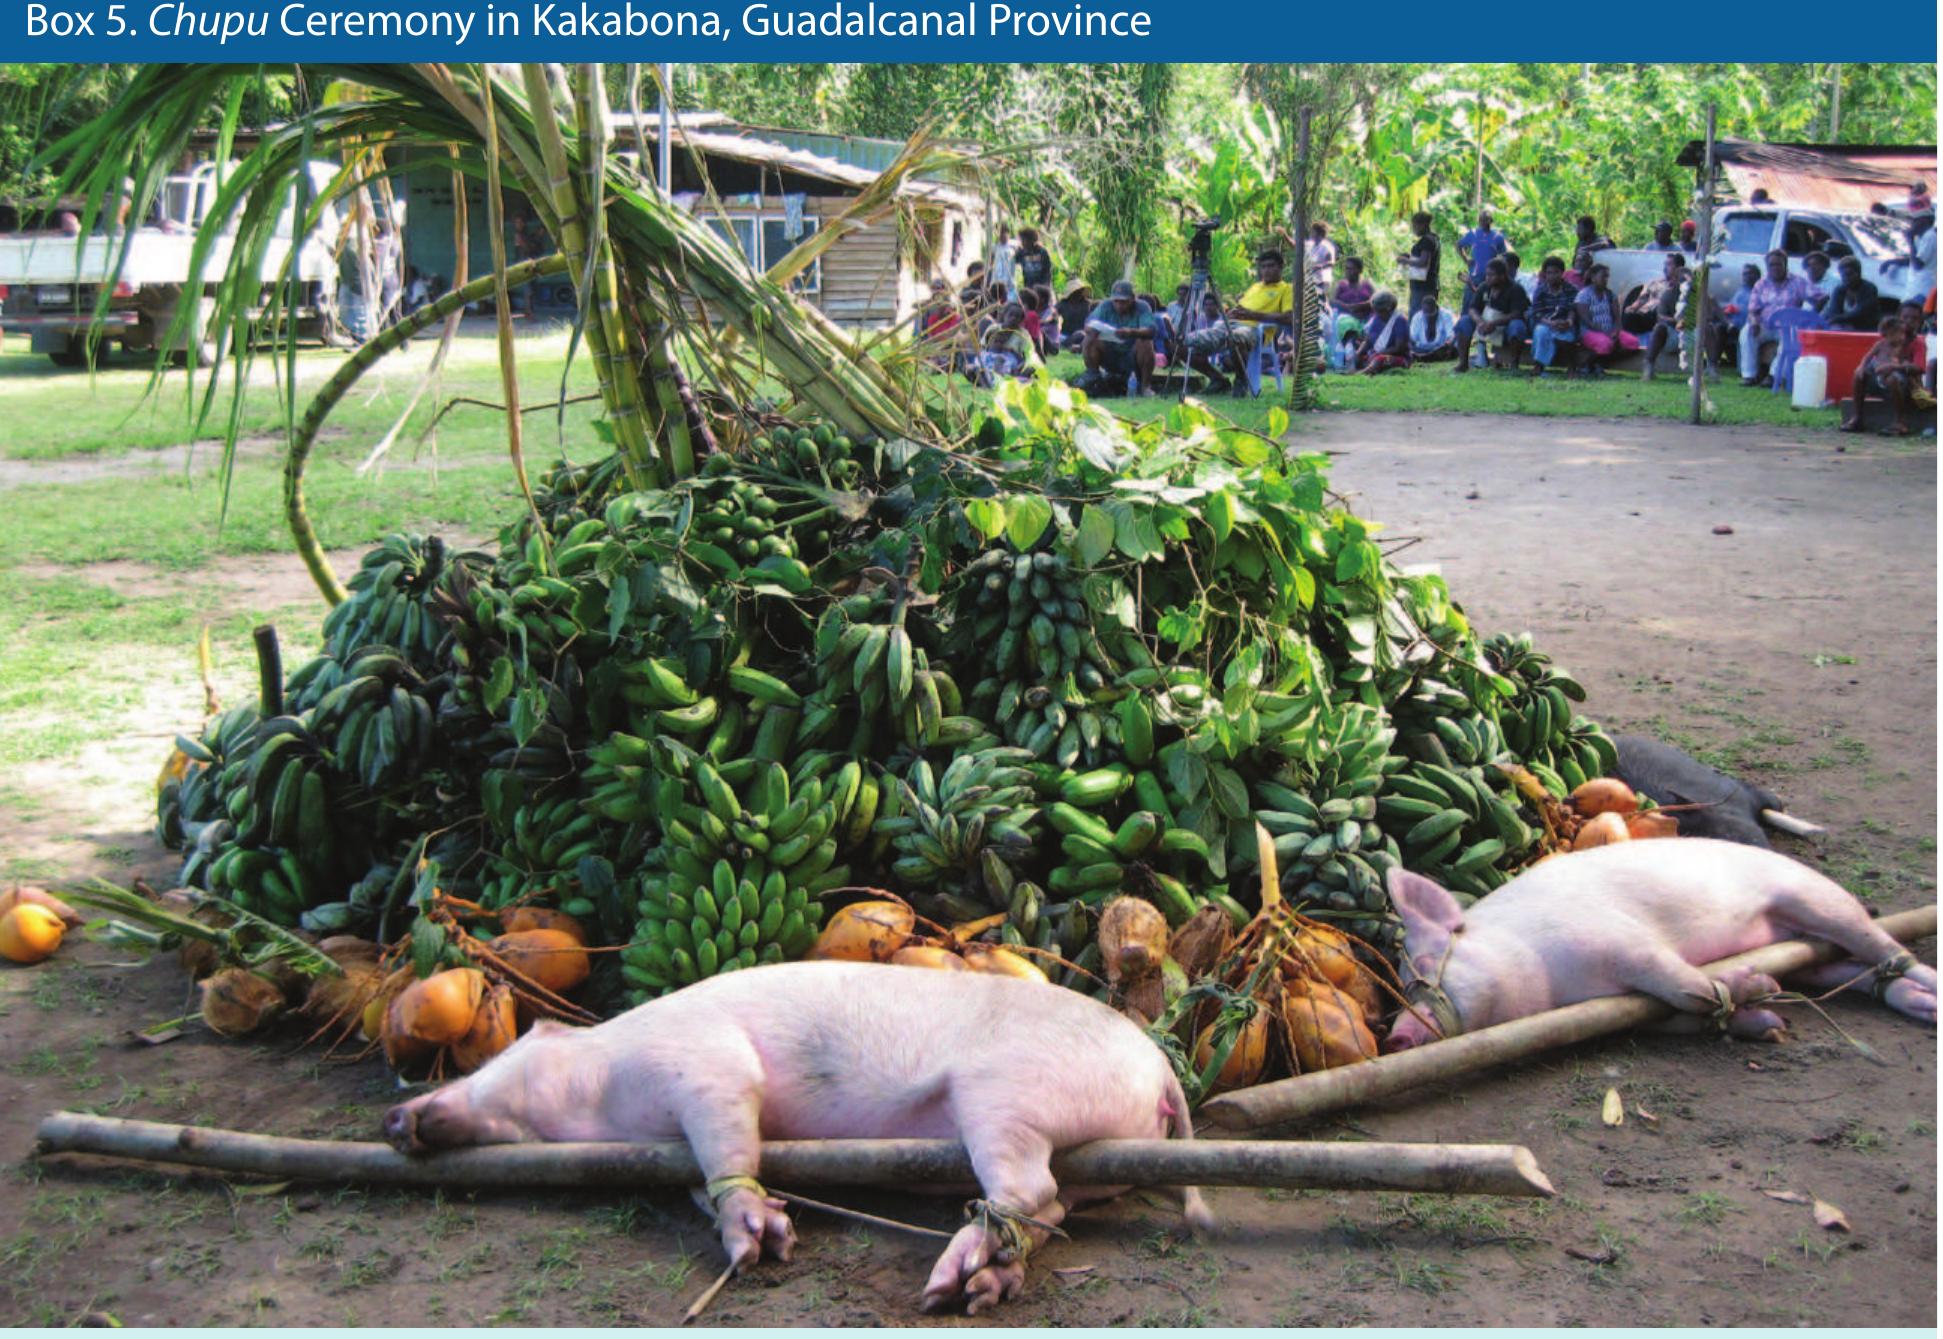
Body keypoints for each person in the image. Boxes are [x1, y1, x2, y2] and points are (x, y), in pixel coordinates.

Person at [1183, 251, 1293, 394]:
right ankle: (1218, 379)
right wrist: (1231, 313)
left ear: (1280, 267)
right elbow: (1241, 308)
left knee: (1235, 337)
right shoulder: (1255, 287)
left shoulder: (1286, 289)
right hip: (1228, 325)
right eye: (1263, 267)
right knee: (1182, 342)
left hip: (1255, 329)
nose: (1266, 270)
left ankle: (1241, 380)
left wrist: (1253, 315)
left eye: (1271, 266)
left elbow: (1288, 318)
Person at [1739, 249, 1814, 386]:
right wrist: (1754, 322)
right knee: (1746, 331)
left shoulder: (1798, 282)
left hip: (1788, 326)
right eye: (1771, 265)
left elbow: (1820, 297)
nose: (1775, 268)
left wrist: (1811, 315)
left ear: (1785, 264)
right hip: (1765, 325)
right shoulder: (1761, 284)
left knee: (1791, 335)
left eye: (1778, 264)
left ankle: (1774, 376)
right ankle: (1749, 375)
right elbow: (1752, 310)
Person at [1840, 315, 1921, 436]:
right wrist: (1861, 367)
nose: (1901, 337)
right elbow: (1868, 357)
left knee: (1893, 379)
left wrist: (1893, 366)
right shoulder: (1880, 345)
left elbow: (1907, 366)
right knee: (1858, 376)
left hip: (1897, 379)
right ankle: (1857, 417)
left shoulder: (1903, 346)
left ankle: (1900, 421)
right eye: (1896, 334)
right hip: (1878, 376)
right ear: (1886, 335)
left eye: (1902, 334)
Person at [1451, 257, 1530, 372]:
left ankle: (1514, 365)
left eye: (1491, 275)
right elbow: (1472, 308)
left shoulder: (1516, 289)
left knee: (1517, 326)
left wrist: (1494, 323)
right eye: (1487, 274)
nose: (1487, 278)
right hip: (1485, 324)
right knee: (1464, 321)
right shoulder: (1484, 287)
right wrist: (1480, 322)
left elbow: (1517, 313)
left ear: (1502, 276)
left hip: (1505, 325)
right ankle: (1463, 363)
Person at [1082, 280, 1158, 395]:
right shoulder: (1105, 305)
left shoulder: (1142, 307)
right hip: (1110, 353)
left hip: (1132, 355)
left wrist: (1131, 332)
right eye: (1116, 301)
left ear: (1132, 299)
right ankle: (1093, 378)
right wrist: (1092, 329)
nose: (1119, 305)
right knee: (1089, 339)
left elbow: (1150, 330)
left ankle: (1145, 386)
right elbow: (1088, 324)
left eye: (1124, 302)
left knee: (1146, 342)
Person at [1574, 262, 1638, 372]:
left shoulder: (1610, 295)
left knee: (1632, 342)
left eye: (1607, 277)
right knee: (1605, 344)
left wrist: (1617, 331)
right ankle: (1586, 364)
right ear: (1593, 278)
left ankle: (1599, 362)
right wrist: (1604, 332)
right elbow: (1586, 320)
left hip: (1610, 330)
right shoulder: (1583, 295)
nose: (1606, 279)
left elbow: (1617, 317)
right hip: (1590, 331)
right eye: (1603, 276)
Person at [1640, 254, 1693, 381]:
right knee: (1660, 328)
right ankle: (1648, 366)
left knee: (1710, 327)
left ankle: (1712, 369)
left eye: (1685, 278)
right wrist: (1678, 321)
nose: (1683, 281)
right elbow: (1661, 317)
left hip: (1694, 334)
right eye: (1680, 278)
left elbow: (1707, 314)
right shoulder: (1668, 294)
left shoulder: (1697, 294)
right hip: (1675, 334)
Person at [967, 301, 1042, 387]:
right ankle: (985, 376)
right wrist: (992, 348)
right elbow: (983, 345)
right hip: (989, 356)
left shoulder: (1023, 334)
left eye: (1017, 317)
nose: (1014, 319)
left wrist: (1013, 354)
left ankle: (998, 378)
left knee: (1000, 362)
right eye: (1011, 315)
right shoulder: (994, 329)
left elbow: (1027, 353)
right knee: (972, 367)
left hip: (1011, 359)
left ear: (1021, 320)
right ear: (1004, 315)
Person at [1527, 256, 1580, 376]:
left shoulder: (1571, 289)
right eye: (1549, 273)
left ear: (1562, 273)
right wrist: (1551, 323)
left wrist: (1568, 322)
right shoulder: (1540, 291)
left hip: (1565, 323)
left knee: (1568, 337)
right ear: (1545, 274)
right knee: (1541, 332)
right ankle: (1539, 365)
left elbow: (1573, 309)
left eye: (1556, 272)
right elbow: (1537, 313)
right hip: (1546, 323)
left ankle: (1572, 367)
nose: (1552, 276)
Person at [1457, 209, 1509, 314]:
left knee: (1486, 305)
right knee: (1468, 304)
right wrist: (1466, 258)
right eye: (1481, 220)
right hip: (1474, 276)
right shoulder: (1473, 234)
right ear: (1479, 221)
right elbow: (1459, 244)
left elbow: (1504, 256)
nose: (1484, 222)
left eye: (1486, 219)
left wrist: (1499, 271)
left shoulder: (1498, 237)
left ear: (1491, 220)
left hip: (1491, 278)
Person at [1347, 290, 1410, 373]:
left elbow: (1399, 348)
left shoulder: (1400, 320)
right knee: (1355, 355)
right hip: (1375, 354)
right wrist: (1358, 354)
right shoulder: (1376, 319)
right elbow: (1368, 341)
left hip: (1397, 357)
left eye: (1380, 311)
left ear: (1388, 309)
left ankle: (1359, 373)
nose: (1377, 313)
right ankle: (1362, 368)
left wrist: (1380, 353)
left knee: (1379, 360)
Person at [1397, 211, 1440, 316]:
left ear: (1422, 225)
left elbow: (1423, 262)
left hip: (1423, 287)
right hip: (1428, 285)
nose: (1413, 229)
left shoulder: (1427, 240)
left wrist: (1405, 261)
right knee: (1425, 314)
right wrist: (1410, 257)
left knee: (1418, 316)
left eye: (1414, 226)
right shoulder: (1434, 238)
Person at [1822, 257, 1879, 332]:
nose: (1846, 278)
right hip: (1844, 327)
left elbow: (1860, 313)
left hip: (1867, 328)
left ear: (1858, 273)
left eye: (1849, 274)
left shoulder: (1869, 288)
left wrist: (1836, 319)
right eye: (1843, 275)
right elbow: (1834, 312)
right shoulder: (1839, 289)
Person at [1408, 294, 1456, 362]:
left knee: (1453, 348)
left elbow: (1451, 336)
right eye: (1426, 314)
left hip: (1440, 347)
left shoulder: (1446, 315)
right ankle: (1426, 357)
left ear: (1436, 308)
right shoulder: (1417, 317)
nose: (1429, 316)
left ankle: (1422, 357)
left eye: (1431, 314)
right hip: (1421, 348)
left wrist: (1448, 344)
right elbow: (1413, 338)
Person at [1569, 215, 1615, 282]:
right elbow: (1574, 264)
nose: (1577, 232)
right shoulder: (1581, 243)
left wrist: (1586, 249)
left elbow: (1605, 243)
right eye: (1577, 229)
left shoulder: (1599, 239)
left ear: (1588, 229)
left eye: (1580, 229)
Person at [1055, 279, 1093, 352]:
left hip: (1082, 335)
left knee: (1082, 334)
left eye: (1080, 291)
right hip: (1065, 335)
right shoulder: (1063, 304)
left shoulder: (1087, 304)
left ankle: (1073, 347)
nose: (1078, 293)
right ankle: (1065, 345)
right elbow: (1052, 313)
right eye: (1076, 291)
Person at [1014, 228, 1054, 293]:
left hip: (1042, 288)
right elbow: (1013, 261)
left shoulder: (1042, 252)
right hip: (1029, 288)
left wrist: (1046, 286)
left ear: (1031, 239)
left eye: (1024, 239)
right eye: (1021, 240)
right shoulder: (1021, 253)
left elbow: (1047, 271)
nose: (1022, 242)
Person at [1306, 222, 1338, 293]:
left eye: (1313, 231)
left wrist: (1319, 267)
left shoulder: (1327, 247)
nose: (1311, 233)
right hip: (1312, 279)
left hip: (1323, 280)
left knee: (1321, 298)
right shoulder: (1310, 245)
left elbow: (1332, 262)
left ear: (1319, 233)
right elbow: (1295, 245)